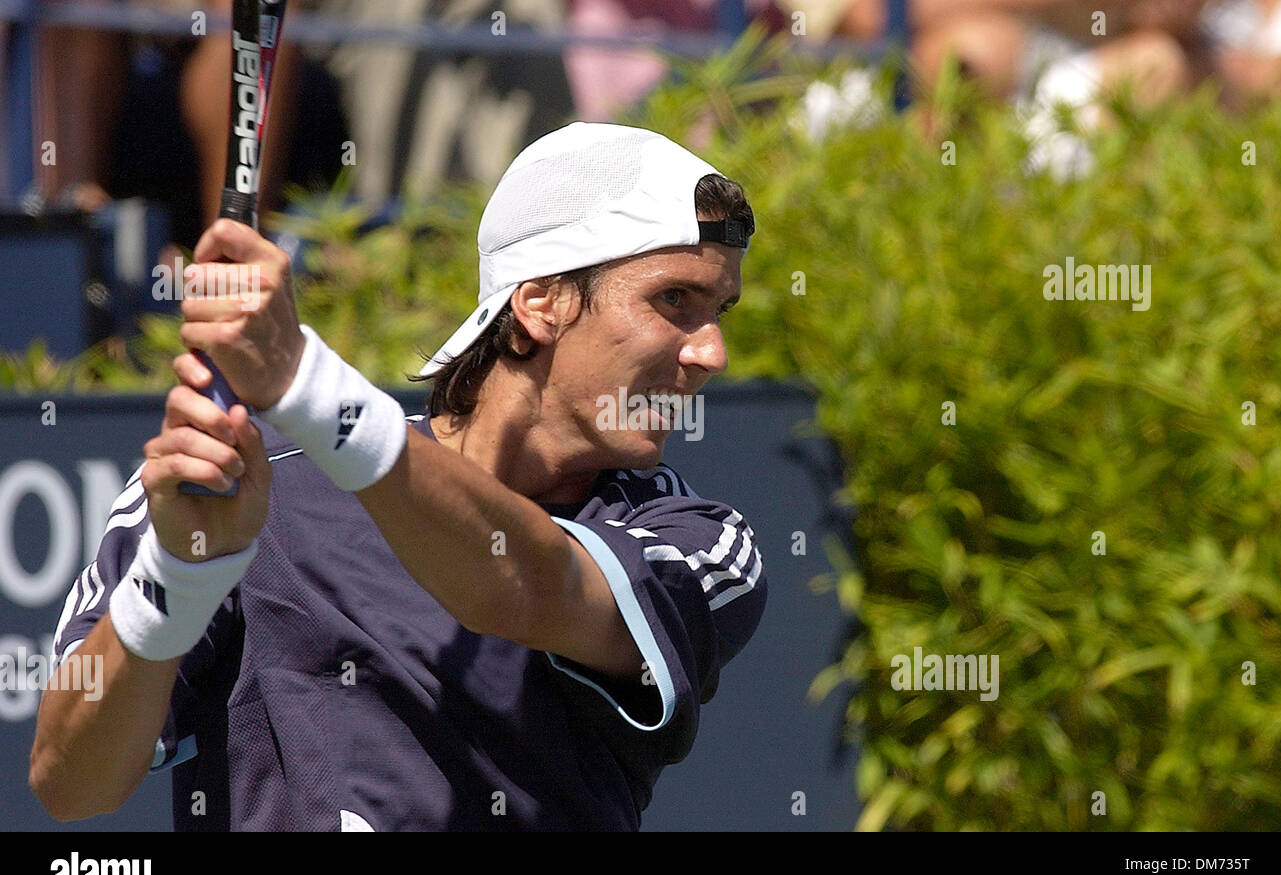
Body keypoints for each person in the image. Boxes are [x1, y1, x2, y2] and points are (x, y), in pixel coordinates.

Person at [29, 122, 768, 831]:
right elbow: (68, 782)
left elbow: (525, 585)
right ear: (540, 302)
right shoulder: (252, 480)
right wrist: (180, 575)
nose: (712, 353)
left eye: (719, 311)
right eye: (674, 301)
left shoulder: (700, 547)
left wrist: (307, 385)